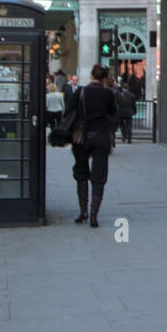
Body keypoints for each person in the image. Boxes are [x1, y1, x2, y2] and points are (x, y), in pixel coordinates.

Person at [69, 65, 117, 228]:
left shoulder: (81, 91)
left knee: (81, 172)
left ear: (91, 76)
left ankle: (83, 212)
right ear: (104, 78)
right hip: (101, 136)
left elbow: (69, 110)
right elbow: (112, 113)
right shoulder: (107, 93)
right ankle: (94, 216)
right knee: (99, 175)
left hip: (81, 136)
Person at [116, 78, 136, 144]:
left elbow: (117, 103)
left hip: (121, 111)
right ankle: (129, 138)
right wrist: (134, 111)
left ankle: (124, 137)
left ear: (122, 88)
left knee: (122, 125)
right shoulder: (132, 95)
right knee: (129, 125)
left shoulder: (119, 94)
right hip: (129, 112)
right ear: (128, 87)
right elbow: (133, 104)